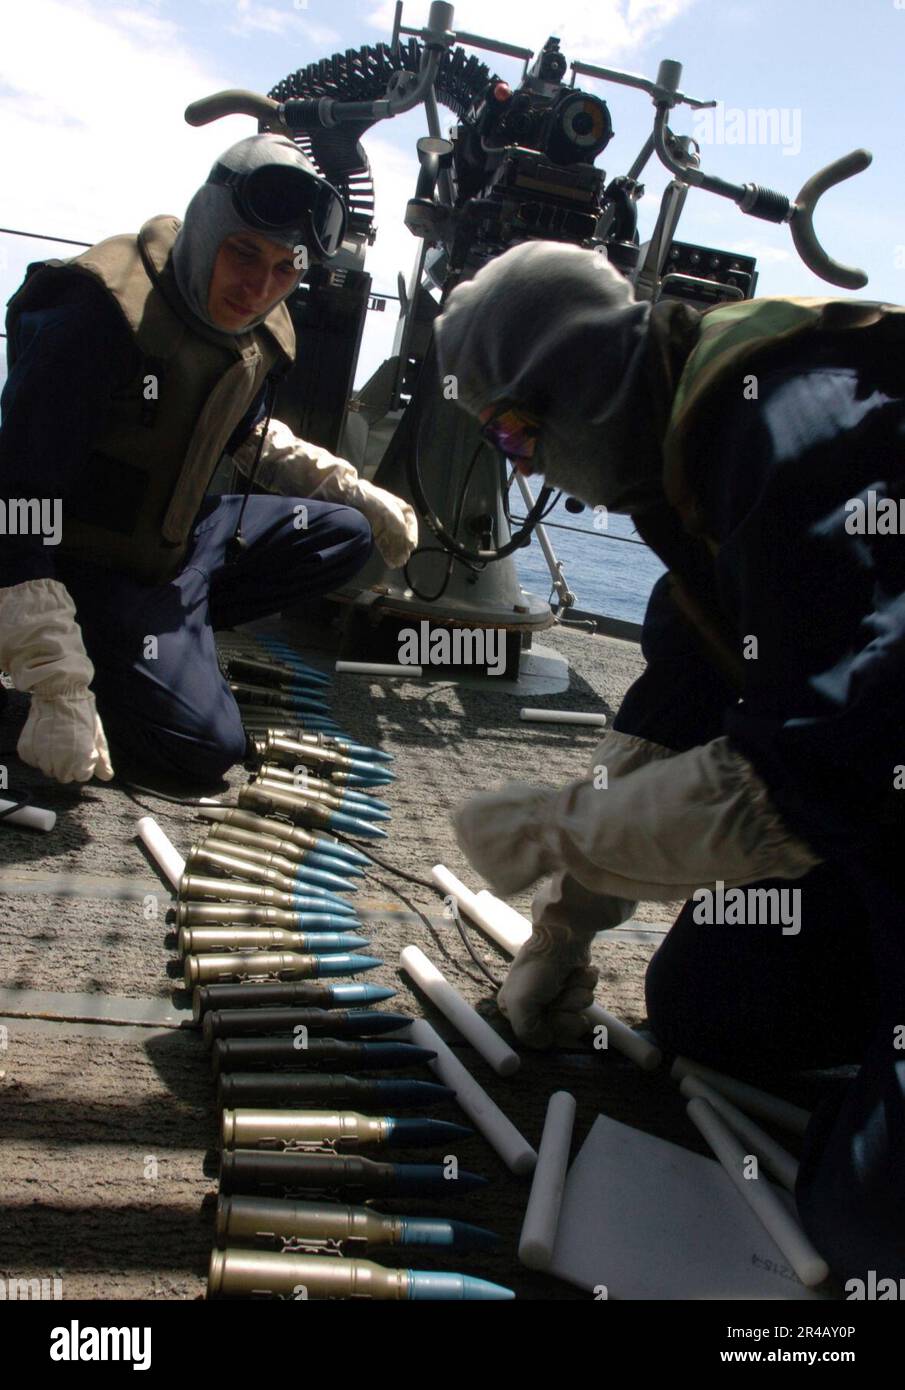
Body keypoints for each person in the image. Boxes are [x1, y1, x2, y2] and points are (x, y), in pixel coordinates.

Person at [434, 238, 905, 1283]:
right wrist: (568, 919)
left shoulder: (791, 428)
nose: (518, 462)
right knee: (705, 1012)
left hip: (868, 779)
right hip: (874, 827)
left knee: (867, 1232)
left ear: (569, 378)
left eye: (513, 429)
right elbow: (681, 692)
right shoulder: (679, 451)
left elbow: (834, 749)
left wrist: (561, 825)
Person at [0, 133, 418, 790]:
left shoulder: (255, 326)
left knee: (343, 534)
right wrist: (57, 684)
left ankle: (158, 650)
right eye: (244, 253)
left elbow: (243, 429)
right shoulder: (99, 313)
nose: (259, 287)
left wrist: (348, 487)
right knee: (205, 752)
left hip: (175, 545)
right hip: (81, 561)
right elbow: (18, 507)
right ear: (206, 229)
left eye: (285, 269)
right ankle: (103, 669)